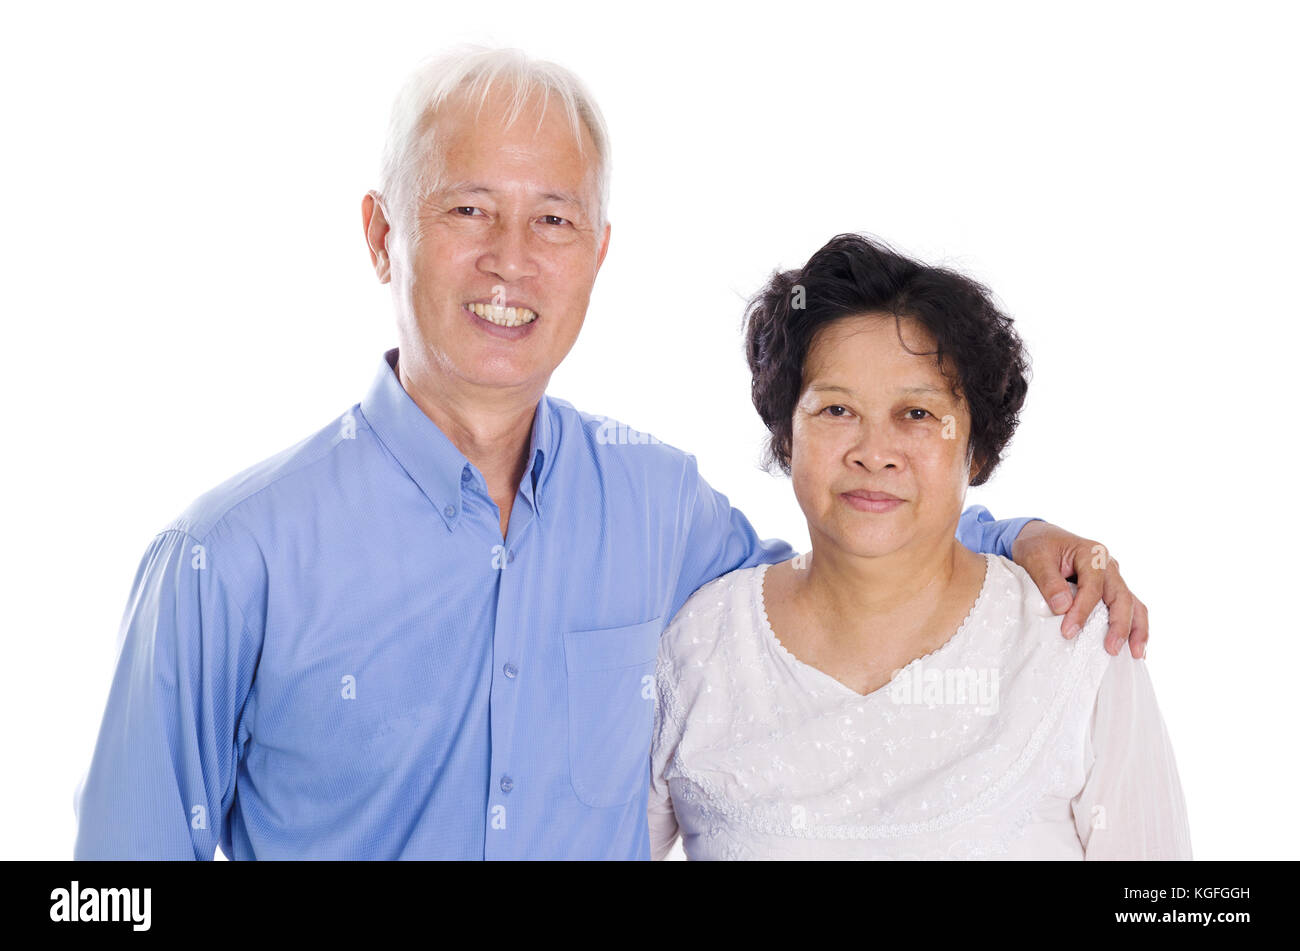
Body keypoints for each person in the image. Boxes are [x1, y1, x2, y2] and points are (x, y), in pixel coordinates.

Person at [74, 48, 1147, 860]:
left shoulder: (657, 508)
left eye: (552, 219)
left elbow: (844, 561)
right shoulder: (227, 557)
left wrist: (1015, 536)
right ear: (381, 232)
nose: (510, 259)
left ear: (597, 254)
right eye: (466, 209)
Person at [649, 233, 1190, 859]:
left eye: (917, 415)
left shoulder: (1074, 640)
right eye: (835, 410)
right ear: (786, 435)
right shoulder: (696, 650)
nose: (873, 453)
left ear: (977, 448)